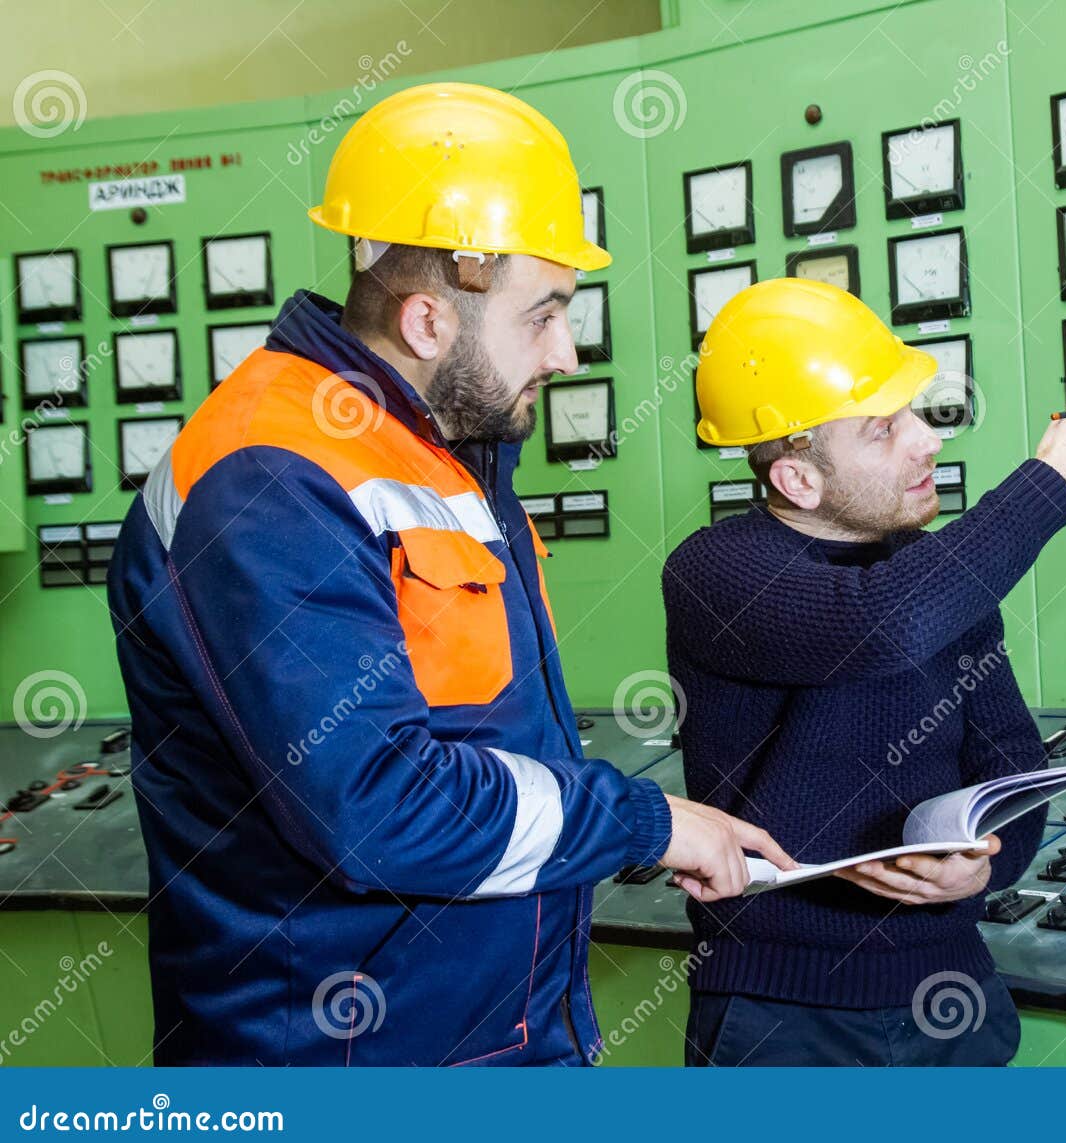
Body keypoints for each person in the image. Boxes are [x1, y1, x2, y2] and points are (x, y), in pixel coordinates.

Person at [107, 82, 790, 1067]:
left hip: (499, 1034)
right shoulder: (269, 477)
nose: (565, 352)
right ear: (429, 320)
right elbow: (375, 807)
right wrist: (643, 820)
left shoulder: (439, 454)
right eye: (544, 313)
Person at [662, 278, 1066, 1066]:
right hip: (785, 1021)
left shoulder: (931, 572)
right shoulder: (718, 570)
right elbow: (880, 624)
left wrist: (985, 863)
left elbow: (1009, 759)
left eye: (914, 413)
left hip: (955, 1000)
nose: (926, 441)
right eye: (881, 430)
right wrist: (1053, 482)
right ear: (796, 480)